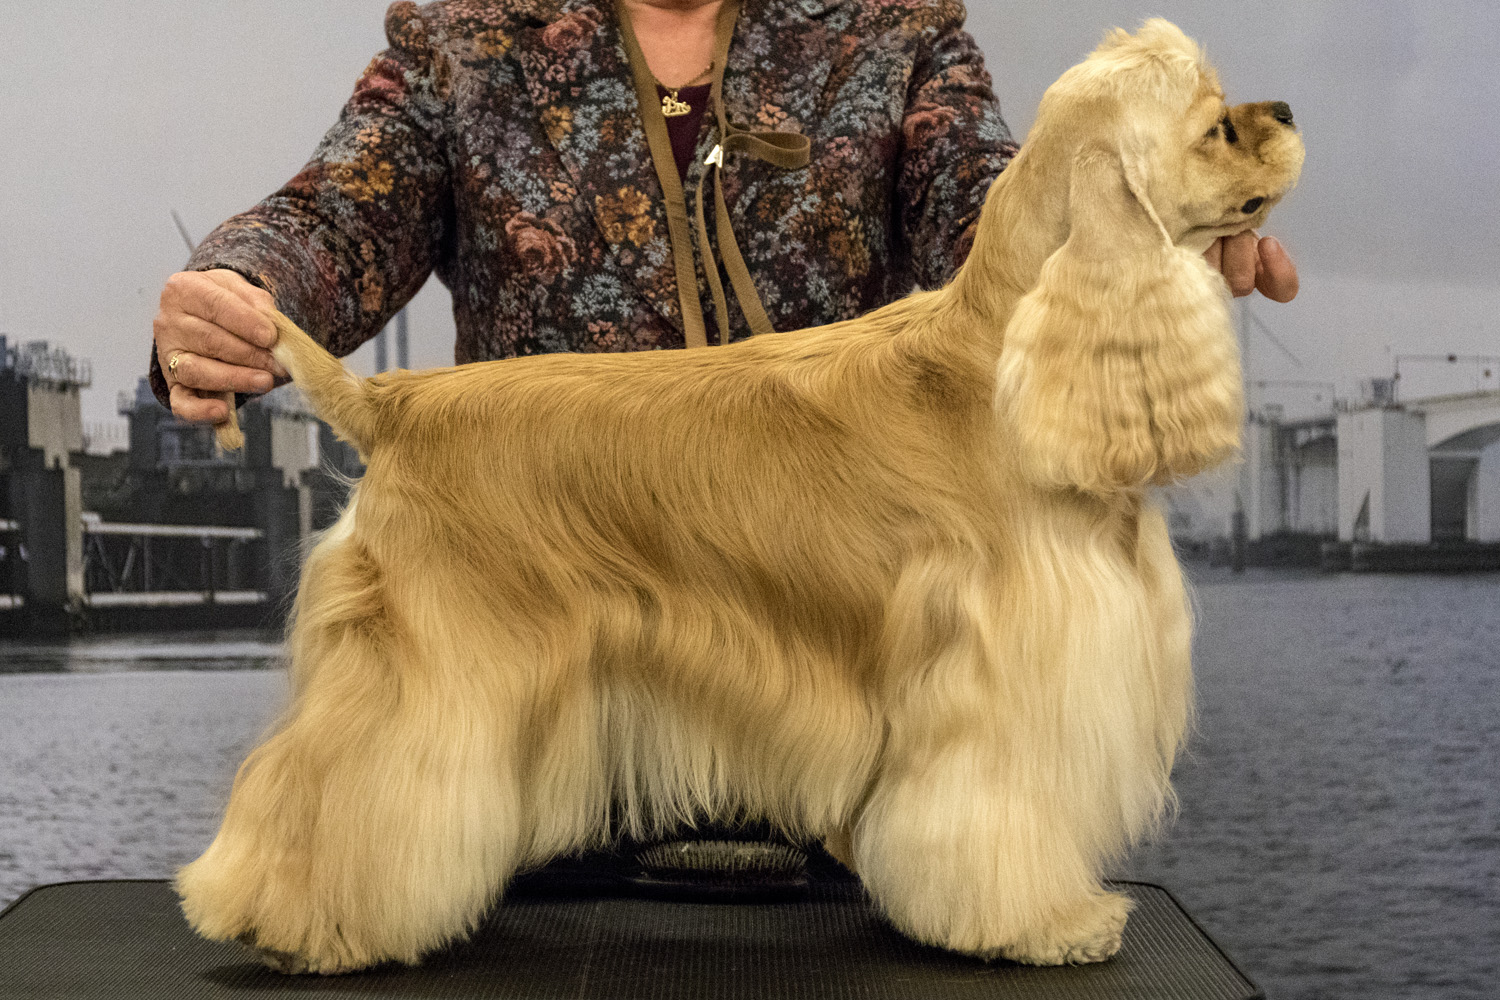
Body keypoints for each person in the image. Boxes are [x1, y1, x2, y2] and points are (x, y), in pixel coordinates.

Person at [150, 0, 1297, 424]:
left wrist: (1162, 219)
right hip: (543, 624)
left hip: (835, 663)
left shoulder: (897, 36)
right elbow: (340, 217)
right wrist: (241, 288)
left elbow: (990, 217)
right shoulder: (461, 44)